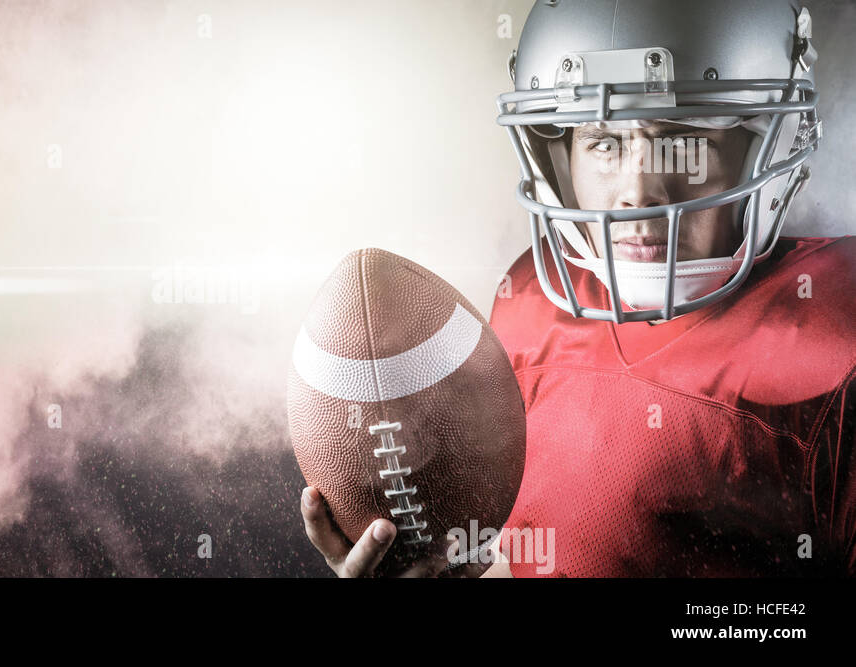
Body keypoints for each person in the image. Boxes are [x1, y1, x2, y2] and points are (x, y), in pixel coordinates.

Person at [301, 0, 855, 577]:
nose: (638, 192)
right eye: (604, 143)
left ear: (776, 142)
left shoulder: (836, 340)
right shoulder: (528, 302)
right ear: (558, 158)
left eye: (688, 140)